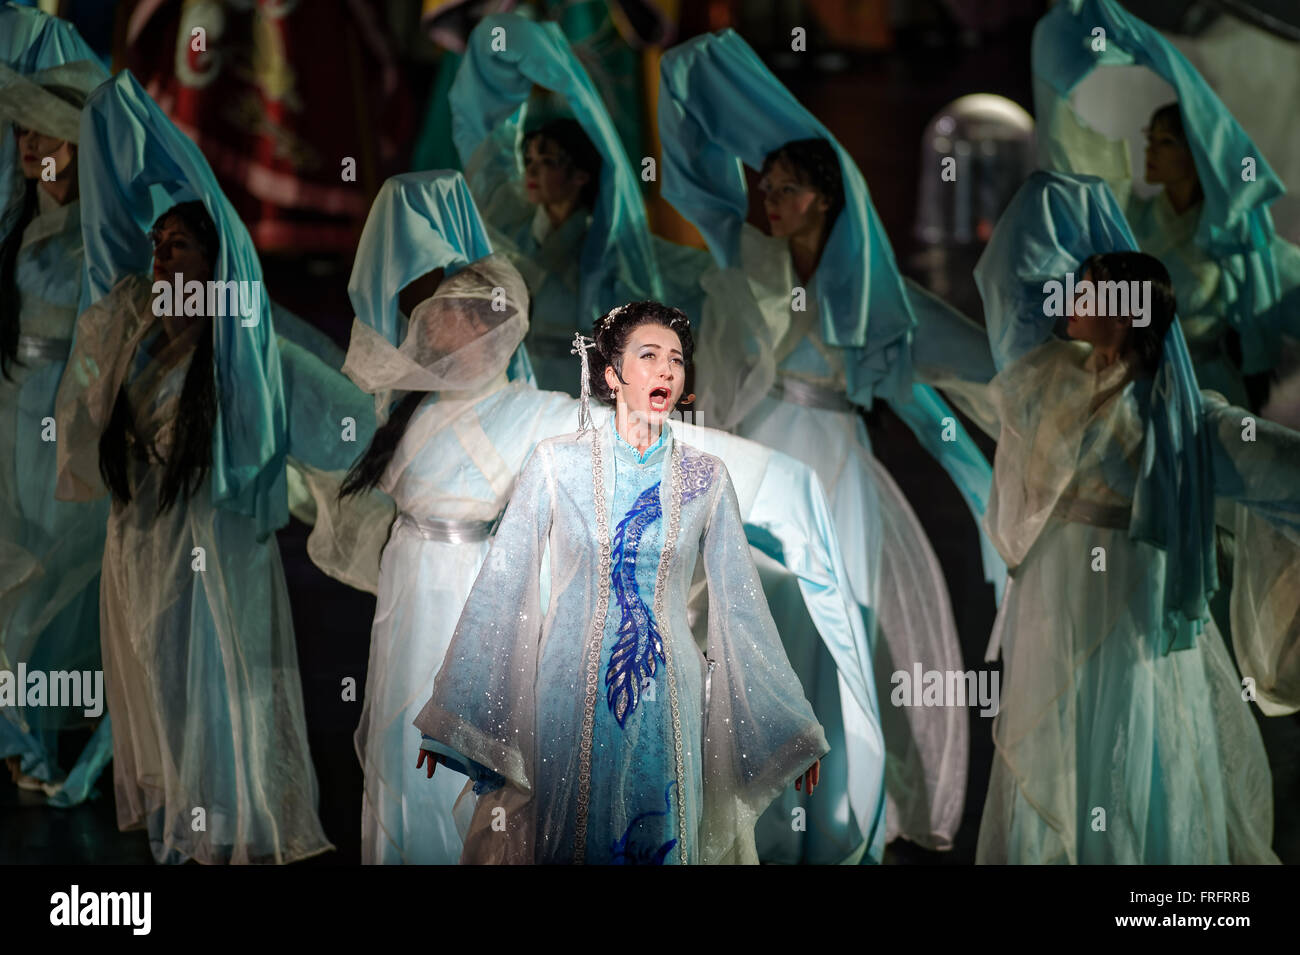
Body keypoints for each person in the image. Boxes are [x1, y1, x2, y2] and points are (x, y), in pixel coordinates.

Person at [659, 28, 1002, 859]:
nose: (768, 200)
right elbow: (692, 172)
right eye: (765, 185)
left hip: (835, 472)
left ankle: (837, 821)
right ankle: (751, 824)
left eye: (787, 188)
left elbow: (987, 368)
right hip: (755, 468)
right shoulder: (747, 270)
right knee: (752, 635)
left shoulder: (878, 304)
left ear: (824, 197)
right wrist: (694, 70)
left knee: (834, 638)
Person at [412, 299, 828, 864]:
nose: (665, 371)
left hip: (668, 692)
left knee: (658, 829)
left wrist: (789, 731)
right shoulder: (556, 464)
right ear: (611, 375)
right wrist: (458, 715)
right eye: (649, 356)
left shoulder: (706, 478)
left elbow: (742, 608)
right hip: (564, 688)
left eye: (676, 361)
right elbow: (502, 584)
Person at [966, 170, 1298, 863]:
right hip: (1059, 590)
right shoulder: (1052, 378)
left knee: (1128, 723)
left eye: (1086, 288)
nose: (1070, 296)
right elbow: (1007, 276)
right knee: (1065, 724)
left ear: (1122, 309)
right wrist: (1065, 195)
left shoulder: (1180, 414)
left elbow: (1273, 461)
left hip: (1125, 592)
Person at [53, 70, 332, 864]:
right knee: (157, 682)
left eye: (180, 248)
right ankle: (184, 805)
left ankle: (224, 821)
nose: (163, 260)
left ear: (216, 266)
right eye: (158, 246)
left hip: (206, 552)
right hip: (140, 548)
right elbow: (107, 235)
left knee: (214, 679)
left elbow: (334, 422)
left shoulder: (240, 351)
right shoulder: (134, 337)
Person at [1033, 0, 1300, 411]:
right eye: (1150, 137)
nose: (1150, 150)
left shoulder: (1234, 241)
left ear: (1198, 157)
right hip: (1134, 389)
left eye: (1166, 142)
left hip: (1207, 397)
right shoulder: (1126, 222)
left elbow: (1287, 292)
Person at [448, 12, 709, 393]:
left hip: (582, 397)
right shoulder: (510, 232)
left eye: (549, 162)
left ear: (580, 176)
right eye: (530, 161)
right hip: (519, 388)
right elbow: (486, 146)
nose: (533, 172)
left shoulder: (608, 251)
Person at [0, 17, 112, 805]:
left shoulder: (100, 241)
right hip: (10, 412)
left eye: (49, 134)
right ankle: (18, 732)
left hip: (65, 423)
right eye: (23, 133)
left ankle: (30, 735)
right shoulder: (17, 226)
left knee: (48, 583)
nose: (33, 150)